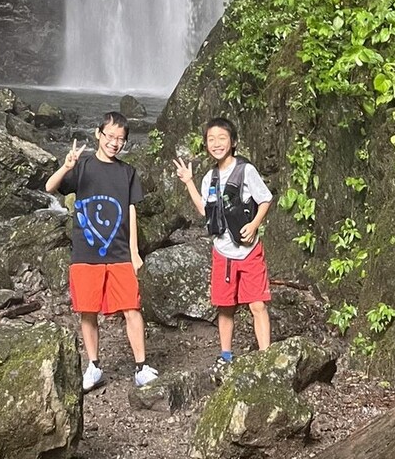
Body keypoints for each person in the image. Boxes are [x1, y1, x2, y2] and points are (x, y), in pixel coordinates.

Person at [46, 109, 159, 392]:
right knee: (87, 310)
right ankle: (94, 366)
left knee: (132, 307)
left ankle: (141, 367)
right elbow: (49, 187)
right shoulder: (82, 167)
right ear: (98, 134)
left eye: (121, 138)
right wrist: (66, 166)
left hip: (119, 252)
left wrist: (134, 251)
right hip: (86, 252)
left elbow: (131, 211)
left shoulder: (127, 173)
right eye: (110, 136)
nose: (115, 142)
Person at [174, 116, 272, 368]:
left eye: (222, 138)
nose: (216, 143)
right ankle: (226, 354)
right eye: (211, 139)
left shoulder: (245, 170)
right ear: (206, 145)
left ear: (233, 142)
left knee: (257, 303)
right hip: (222, 252)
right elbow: (204, 211)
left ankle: (266, 357)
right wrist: (188, 182)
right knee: (225, 305)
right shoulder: (209, 178)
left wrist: (254, 224)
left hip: (248, 250)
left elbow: (265, 199)